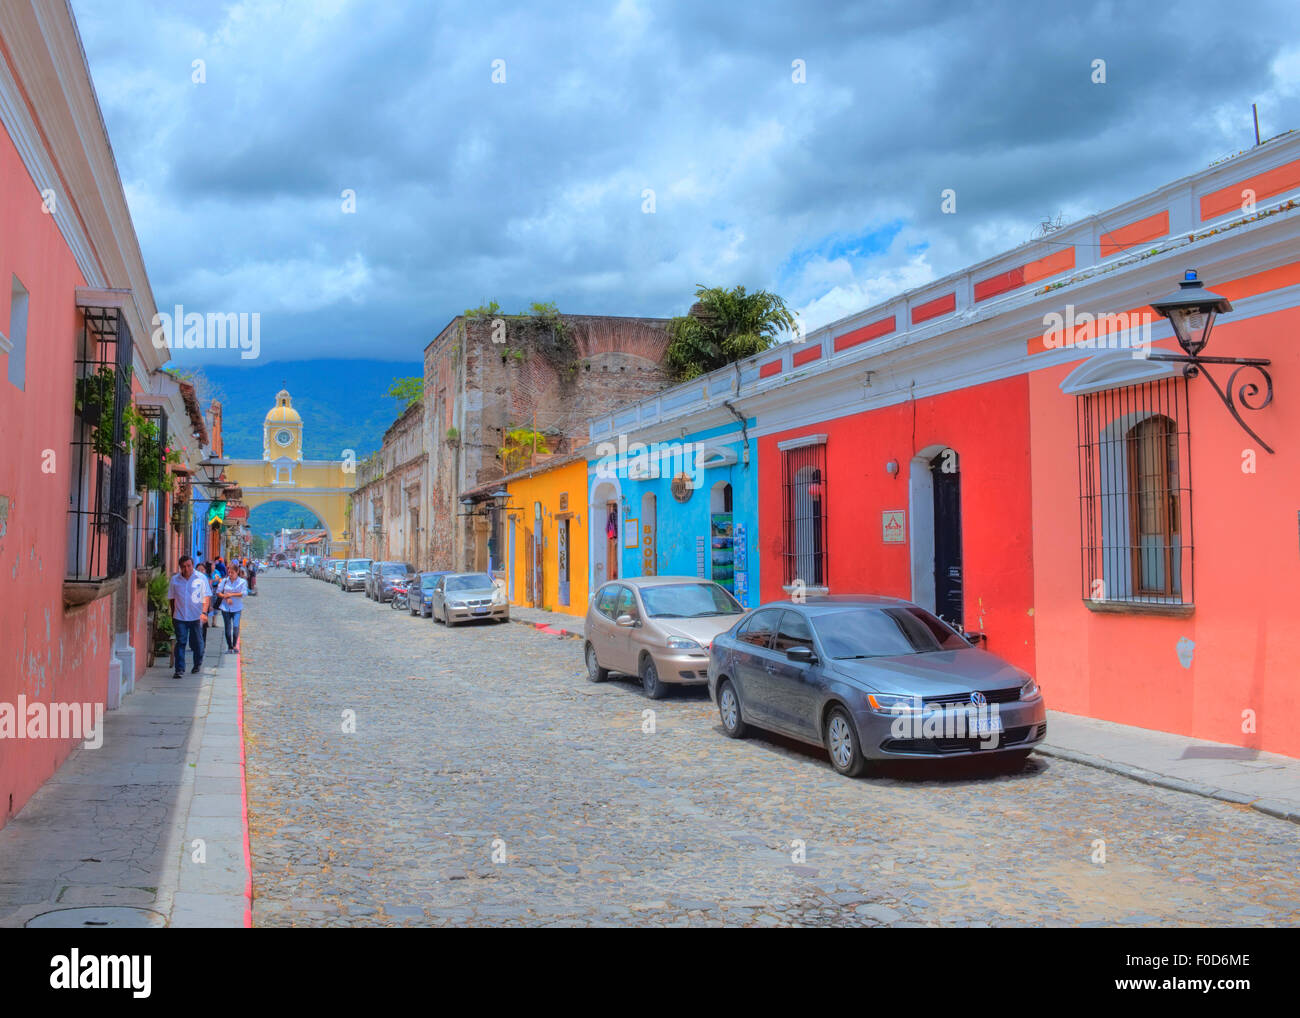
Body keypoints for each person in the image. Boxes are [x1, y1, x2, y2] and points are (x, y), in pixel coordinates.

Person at [168, 555, 211, 678]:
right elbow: (171, 598)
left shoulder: (201, 578)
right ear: (180, 567)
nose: (186, 569)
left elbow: (207, 596)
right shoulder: (175, 580)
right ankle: (179, 669)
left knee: (197, 643)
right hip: (180, 616)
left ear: (192, 565)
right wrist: (173, 614)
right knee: (181, 642)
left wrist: (204, 613)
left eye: (189, 566)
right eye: (183, 567)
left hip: (196, 617)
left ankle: (197, 663)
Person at [217, 565, 249, 652]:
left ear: (237, 572)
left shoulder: (242, 582)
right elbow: (218, 592)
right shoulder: (225, 581)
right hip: (225, 608)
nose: (230, 574)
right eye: (229, 572)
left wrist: (231, 594)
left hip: (237, 608)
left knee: (235, 626)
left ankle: (234, 645)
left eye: (232, 573)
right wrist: (226, 597)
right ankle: (230, 646)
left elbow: (244, 593)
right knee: (227, 628)